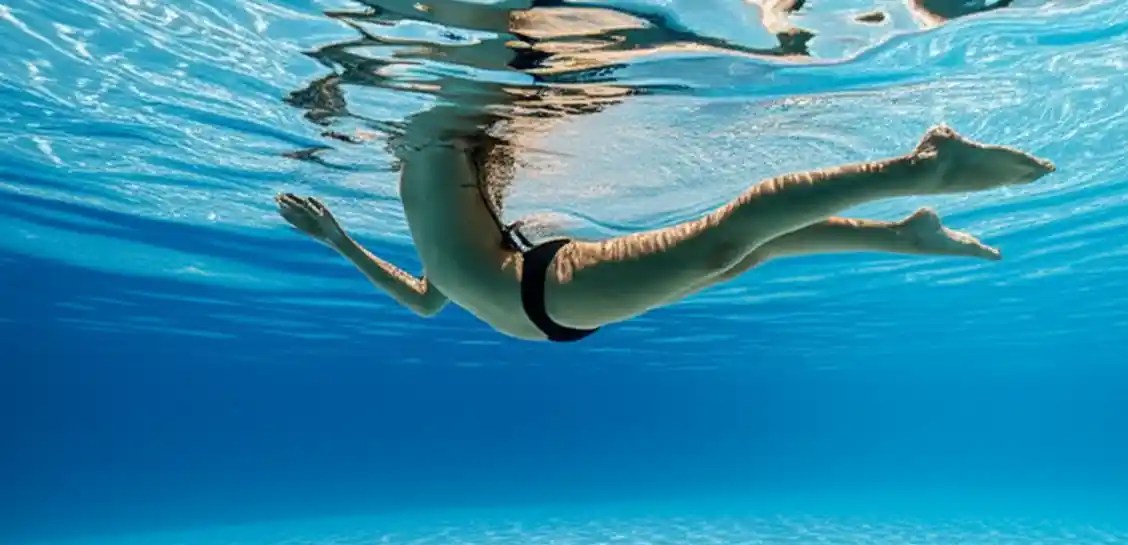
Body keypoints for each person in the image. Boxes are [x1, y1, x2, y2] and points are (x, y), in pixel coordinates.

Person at [275, 122, 1053, 342]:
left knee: (724, 242)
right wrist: (337, 242)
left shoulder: (432, 149)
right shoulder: (423, 211)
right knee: (737, 258)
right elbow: (425, 303)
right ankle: (905, 234)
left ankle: (920, 169)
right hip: (548, 302)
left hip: (546, 289)